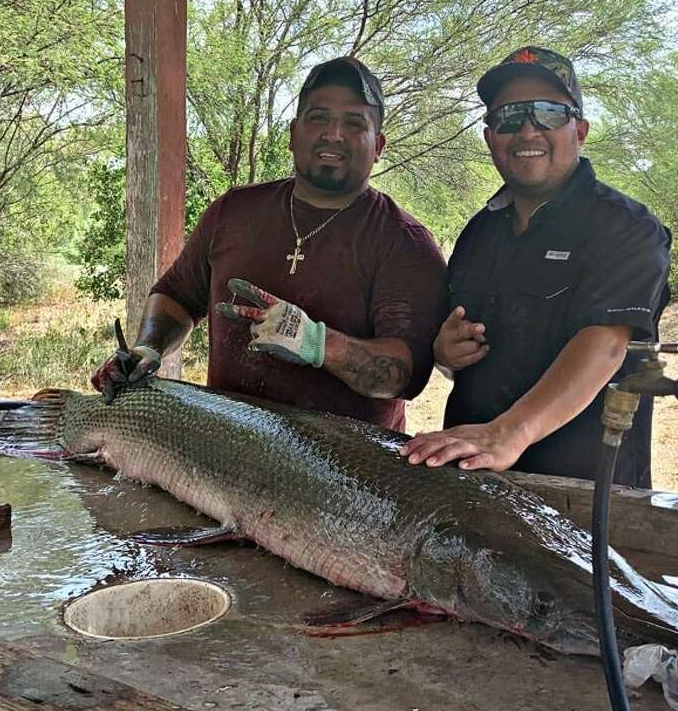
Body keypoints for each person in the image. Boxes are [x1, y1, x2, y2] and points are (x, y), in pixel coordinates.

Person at [92, 56, 447, 432]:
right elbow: (178, 295)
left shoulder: (404, 242)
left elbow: (404, 374)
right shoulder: (233, 211)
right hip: (227, 442)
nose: (334, 134)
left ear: (379, 145)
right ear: (293, 134)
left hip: (347, 470)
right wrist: (148, 347)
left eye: (354, 123)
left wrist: (316, 343)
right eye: (318, 117)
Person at [400, 46, 671, 486]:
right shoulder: (478, 233)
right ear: (490, 137)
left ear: (579, 130)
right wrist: (445, 353)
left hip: (584, 495)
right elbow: (459, 354)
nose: (527, 129)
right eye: (508, 116)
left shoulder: (627, 227)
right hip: (473, 481)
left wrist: (509, 432)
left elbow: (606, 344)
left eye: (547, 113)